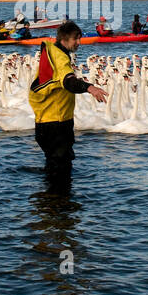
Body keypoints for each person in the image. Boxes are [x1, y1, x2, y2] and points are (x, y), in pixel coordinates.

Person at [28, 22, 108, 187]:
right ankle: (60, 207)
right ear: (64, 39)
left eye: (79, 38)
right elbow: (68, 82)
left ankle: (50, 205)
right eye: (75, 39)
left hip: (47, 121)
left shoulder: (53, 52)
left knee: (54, 166)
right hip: (56, 123)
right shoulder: (59, 57)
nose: (79, 42)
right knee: (61, 169)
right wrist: (89, 87)